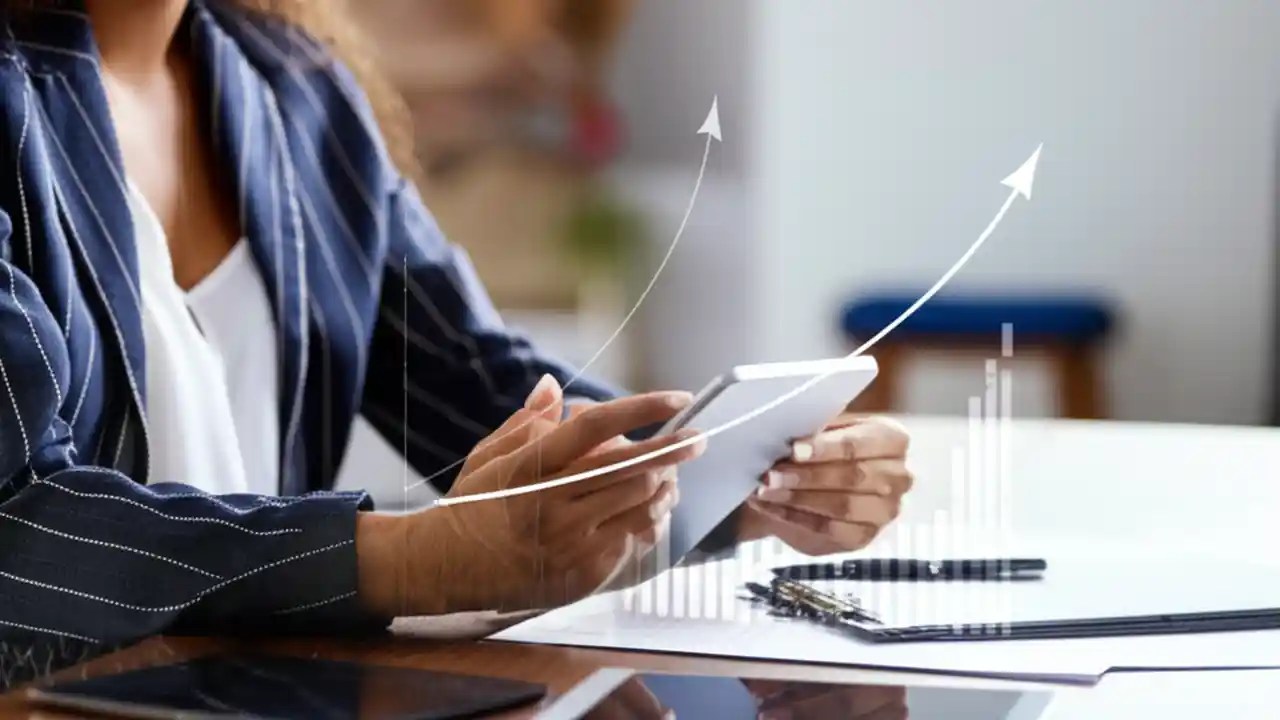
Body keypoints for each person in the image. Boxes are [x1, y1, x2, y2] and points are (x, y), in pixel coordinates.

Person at [0, 0, 913, 652]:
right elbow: (16, 527)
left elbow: (475, 377)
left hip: (246, 684)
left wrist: (737, 473)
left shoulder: (296, 94)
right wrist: (419, 558)